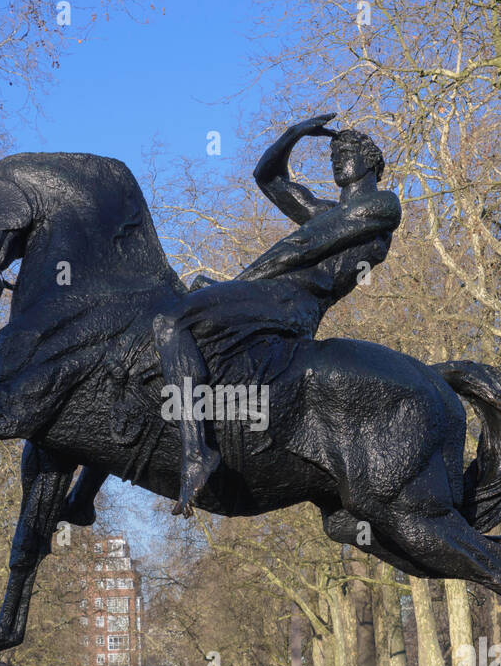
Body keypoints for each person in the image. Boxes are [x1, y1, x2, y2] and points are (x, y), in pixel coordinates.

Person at [151, 112, 402, 515]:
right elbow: (268, 179)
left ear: (370, 161)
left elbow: (300, 249)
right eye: (333, 152)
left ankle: (197, 453)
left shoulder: (380, 206)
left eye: (346, 151)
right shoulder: (325, 212)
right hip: (272, 295)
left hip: (290, 304)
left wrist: (234, 284)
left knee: (170, 322)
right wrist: (294, 134)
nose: (336, 158)